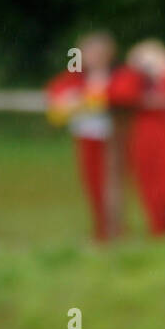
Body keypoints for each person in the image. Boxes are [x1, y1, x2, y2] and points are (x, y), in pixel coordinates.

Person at [108, 40, 165, 236]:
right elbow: (120, 94)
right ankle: (159, 230)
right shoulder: (133, 80)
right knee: (151, 186)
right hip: (143, 139)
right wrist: (137, 74)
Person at [45, 31, 119, 241]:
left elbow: (117, 95)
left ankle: (116, 230)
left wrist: (84, 100)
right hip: (87, 138)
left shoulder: (116, 76)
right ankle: (102, 231)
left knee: (113, 186)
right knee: (94, 186)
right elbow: (56, 103)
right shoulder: (76, 77)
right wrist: (77, 101)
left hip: (114, 141)